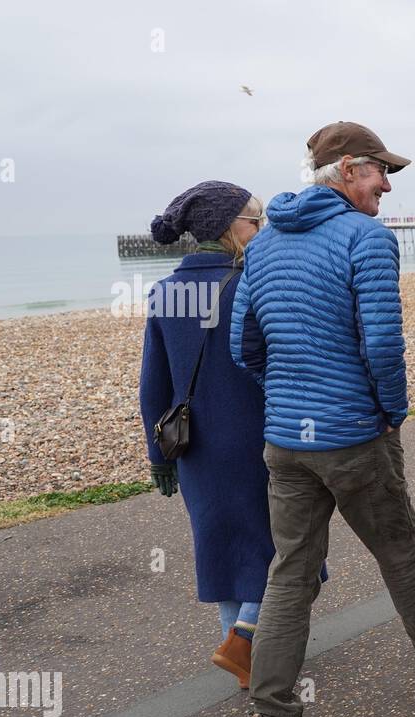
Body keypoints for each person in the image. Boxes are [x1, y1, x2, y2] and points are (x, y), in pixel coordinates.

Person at [231, 121, 415, 717]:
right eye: (381, 171)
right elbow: (381, 343)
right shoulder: (366, 238)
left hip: (286, 441)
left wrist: (288, 398)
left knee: (289, 573)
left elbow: (245, 347)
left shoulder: (263, 245)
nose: (387, 185)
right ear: (348, 170)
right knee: (398, 546)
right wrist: (389, 411)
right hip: (352, 435)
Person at [139, 181, 276, 690]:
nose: (260, 229)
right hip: (258, 438)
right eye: (252, 221)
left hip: (194, 448)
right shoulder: (251, 286)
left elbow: (153, 386)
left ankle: (244, 663)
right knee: (286, 546)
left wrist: (158, 456)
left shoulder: (165, 293)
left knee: (221, 548)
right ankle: (247, 645)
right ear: (225, 228)